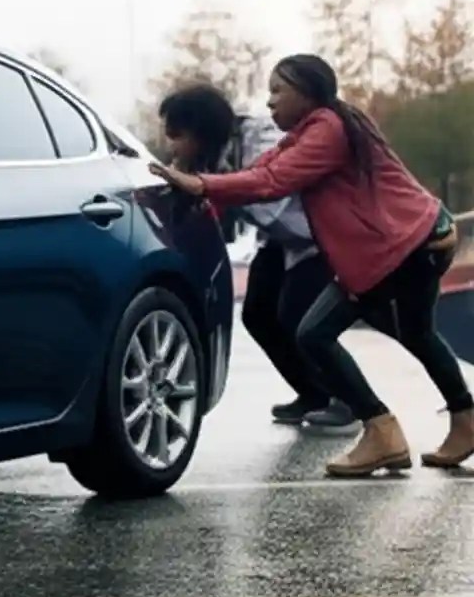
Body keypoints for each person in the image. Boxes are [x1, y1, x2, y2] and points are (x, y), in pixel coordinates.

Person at [149, 54, 471, 477]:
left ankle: (379, 429)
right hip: (420, 236)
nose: (269, 101)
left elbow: (273, 181)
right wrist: (204, 186)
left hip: (401, 246)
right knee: (416, 333)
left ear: (307, 93)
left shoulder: (328, 130)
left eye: (278, 91)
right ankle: (464, 422)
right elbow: (264, 168)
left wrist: (201, 184)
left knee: (314, 332)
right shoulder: (311, 131)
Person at [158, 86, 358, 433]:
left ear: (200, 131)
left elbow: (267, 194)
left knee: (300, 319)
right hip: (282, 238)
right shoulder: (209, 156)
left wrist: (208, 188)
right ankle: (314, 394)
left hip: (318, 236)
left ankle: (350, 402)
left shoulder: (264, 140)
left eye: (177, 136)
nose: (172, 146)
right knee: (257, 315)